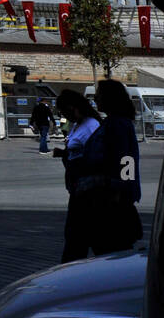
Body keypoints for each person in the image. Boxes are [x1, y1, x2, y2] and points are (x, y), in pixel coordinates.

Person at [54, 90, 109, 262]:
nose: (64, 116)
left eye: (64, 112)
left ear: (73, 108)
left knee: (78, 239)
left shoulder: (91, 124)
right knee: (77, 238)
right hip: (78, 189)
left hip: (88, 192)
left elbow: (96, 155)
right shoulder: (78, 124)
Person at [94, 79, 144, 253]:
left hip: (115, 198)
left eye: (98, 95)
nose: (95, 98)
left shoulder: (118, 124)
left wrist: (120, 190)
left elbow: (127, 159)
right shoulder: (112, 122)